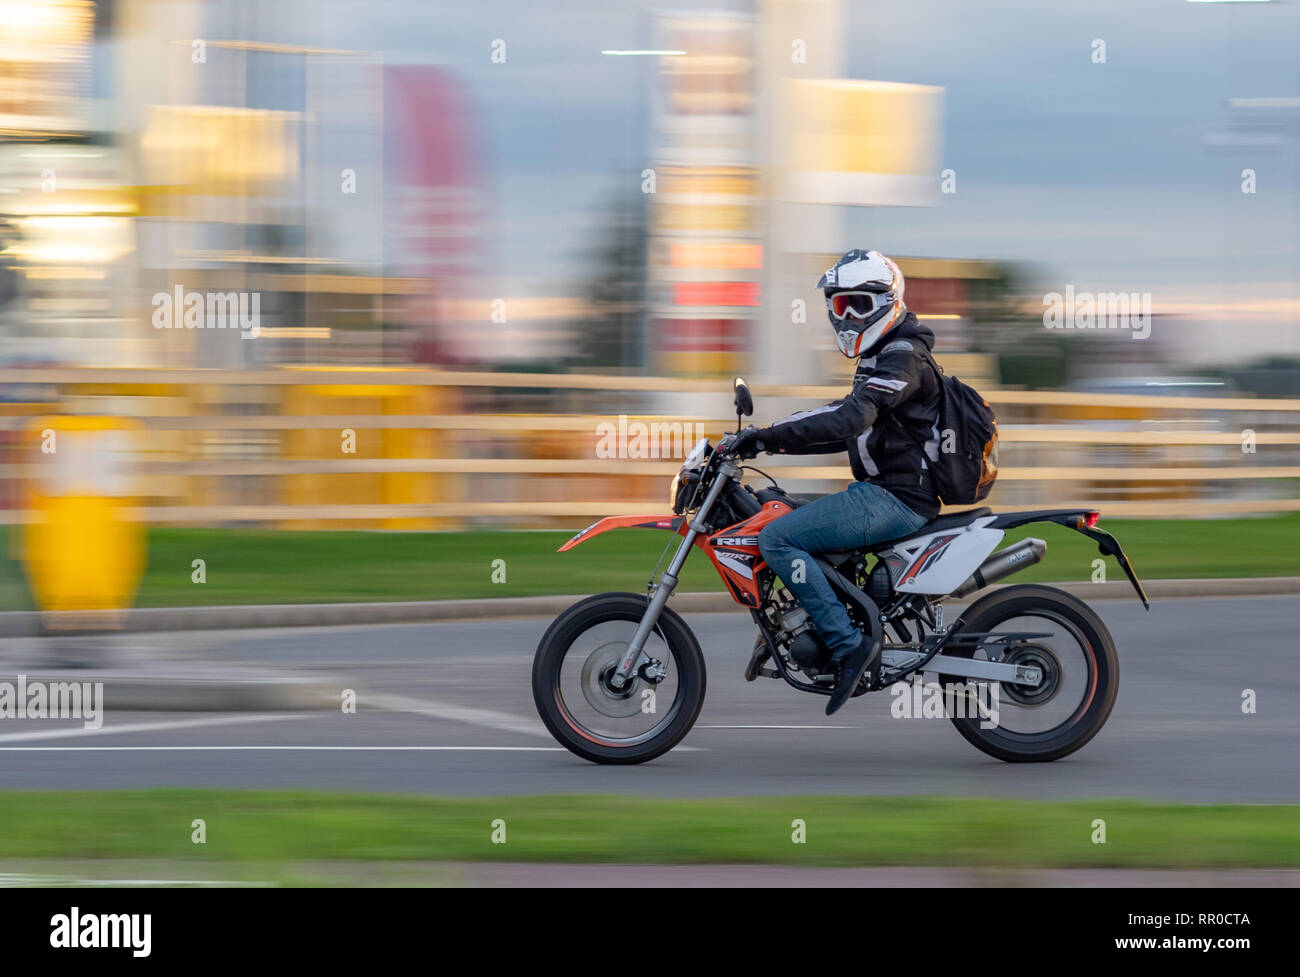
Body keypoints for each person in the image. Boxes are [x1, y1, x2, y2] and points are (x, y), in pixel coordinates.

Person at [732, 249, 942, 715]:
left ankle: (848, 645)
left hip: (896, 498)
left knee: (779, 539)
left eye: (857, 306)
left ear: (888, 301)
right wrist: (762, 444)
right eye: (838, 305)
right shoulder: (881, 355)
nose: (845, 317)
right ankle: (794, 625)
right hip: (881, 492)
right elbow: (844, 428)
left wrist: (764, 436)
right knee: (771, 503)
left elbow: (849, 417)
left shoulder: (903, 357)